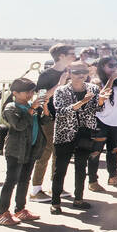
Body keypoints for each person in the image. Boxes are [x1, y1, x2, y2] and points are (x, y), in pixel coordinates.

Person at [0, 78, 47, 226]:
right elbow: (19, 125)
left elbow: (43, 121)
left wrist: (43, 108)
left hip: (31, 149)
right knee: (11, 181)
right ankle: (2, 213)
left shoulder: (31, 106)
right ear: (15, 93)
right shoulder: (11, 108)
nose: (30, 94)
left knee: (24, 180)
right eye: (27, 92)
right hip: (16, 151)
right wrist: (31, 110)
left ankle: (20, 209)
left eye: (32, 91)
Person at [50, 63, 99, 214]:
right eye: (77, 72)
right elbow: (61, 111)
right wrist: (82, 102)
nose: (81, 75)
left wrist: (101, 101)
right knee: (60, 169)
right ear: (70, 73)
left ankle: (78, 199)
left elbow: (97, 109)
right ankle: (55, 202)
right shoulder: (61, 91)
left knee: (81, 167)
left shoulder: (93, 89)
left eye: (84, 72)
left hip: (85, 133)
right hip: (65, 133)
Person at [29, 43, 74, 202]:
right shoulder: (46, 75)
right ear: (60, 56)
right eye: (70, 53)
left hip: (65, 117)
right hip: (49, 118)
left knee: (60, 153)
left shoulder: (71, 72)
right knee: (46, 151)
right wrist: (60, 84)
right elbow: (41, 98)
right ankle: (35, 189)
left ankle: (56, 186)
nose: (74, 56)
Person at [88, 56, 117, 191]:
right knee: (95, 152)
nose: (114, 69)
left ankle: (113, 176)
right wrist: (111, 79)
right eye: (110, 66)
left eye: (116, 66)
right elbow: (103, 94)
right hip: (101, 121)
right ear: (102, 67)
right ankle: (92, 180)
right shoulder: (96, 81)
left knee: (113, 150)